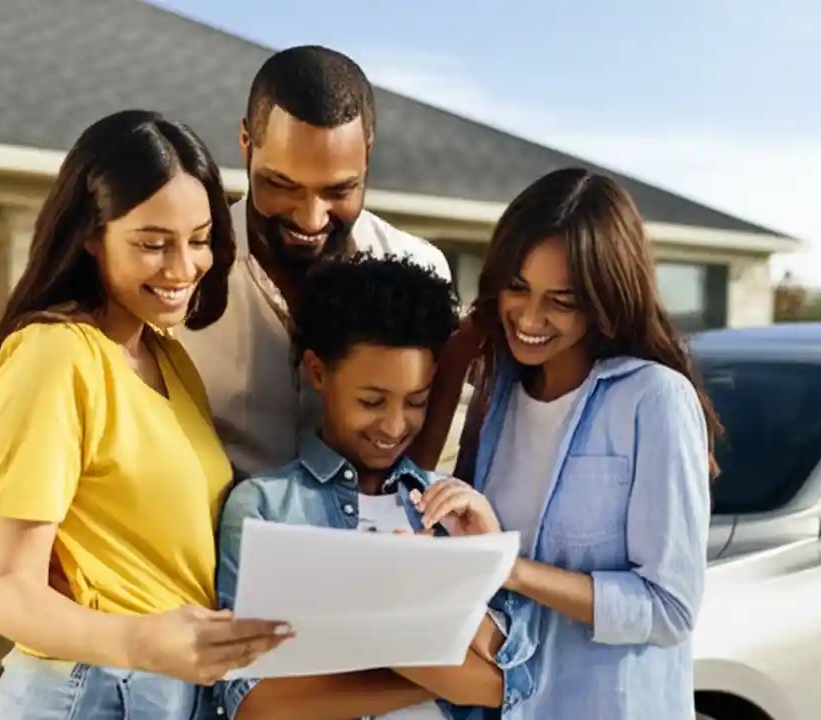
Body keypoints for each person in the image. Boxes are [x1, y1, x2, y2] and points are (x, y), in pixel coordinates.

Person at [0, 109, 291, 720]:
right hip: (88, 694)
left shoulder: (167, 358)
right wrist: (144, 642)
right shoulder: (54, 356)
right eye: (152, 244)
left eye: (199, 239)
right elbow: (7, 590)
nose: (183, 267)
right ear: (91, 235)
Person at [411, 167, 720, 718]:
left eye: (562, 300)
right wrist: (455, 361)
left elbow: (669, 608)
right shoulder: (499, 394)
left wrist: (509, 567)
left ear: (604, 299)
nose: (530, 317)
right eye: (517, 288)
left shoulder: (654, 399)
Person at [215, 254, 503, 719]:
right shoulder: (265, 509)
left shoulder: (455, 512)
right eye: (371, 401)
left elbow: (503, 682)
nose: (394, 426)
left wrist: (483, 556)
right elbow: (251, 701)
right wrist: (413, 641)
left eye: (417, 401)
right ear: (317, 372)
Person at [179, 44, 451, 480]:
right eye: (282, 185)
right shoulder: (183, 274)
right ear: (246, 144)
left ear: (367, 153)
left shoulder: (419, 270)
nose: (311, 219)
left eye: (339, 191)